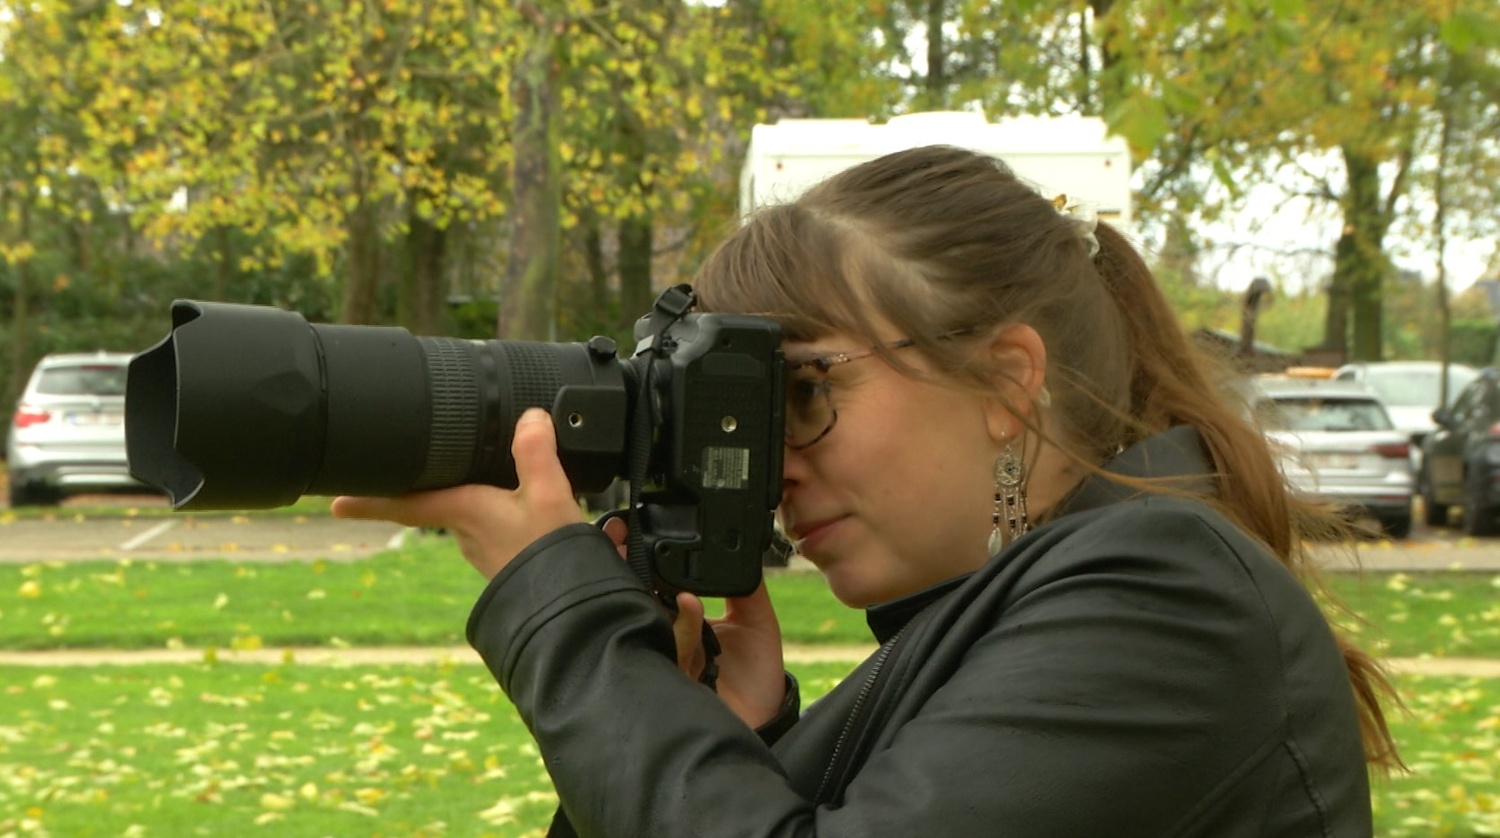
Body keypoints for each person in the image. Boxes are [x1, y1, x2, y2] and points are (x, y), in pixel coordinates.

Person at [332, 145, 1401, 836]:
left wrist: (558, 617)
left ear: (1005, 378)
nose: (770, 462)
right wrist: (732, 739)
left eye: (799, 391)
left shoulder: (1172, 594)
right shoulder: (1004, 630)